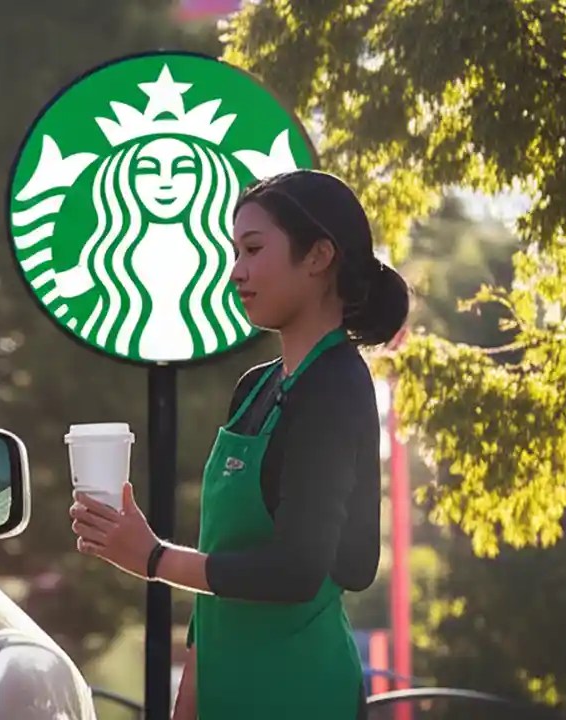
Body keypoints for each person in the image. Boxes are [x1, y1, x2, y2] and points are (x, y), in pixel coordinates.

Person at [69, 168, 410, 719]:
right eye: (235, 252)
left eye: (253, 249)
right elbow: (219, 577)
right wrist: (188, 703)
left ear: (318, 256)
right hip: (225, 694)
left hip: (298, 697)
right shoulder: (255, 388)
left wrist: (153, 557)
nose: (237, 272)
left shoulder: (336, 386)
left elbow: (296, 572)